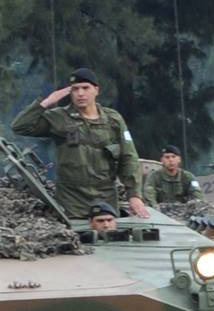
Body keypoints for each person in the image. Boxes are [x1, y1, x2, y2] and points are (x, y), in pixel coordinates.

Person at [11, 67, 148, 220]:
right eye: (75, 89)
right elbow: (20, 126)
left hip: (106, 198)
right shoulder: (59, 117)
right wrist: (46, 103)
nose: (80, 93)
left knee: (109, 236)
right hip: (71, 201)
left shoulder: (113, 120)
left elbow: (128, 157)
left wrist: (134, 195)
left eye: (85, 88)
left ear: (96, 90)